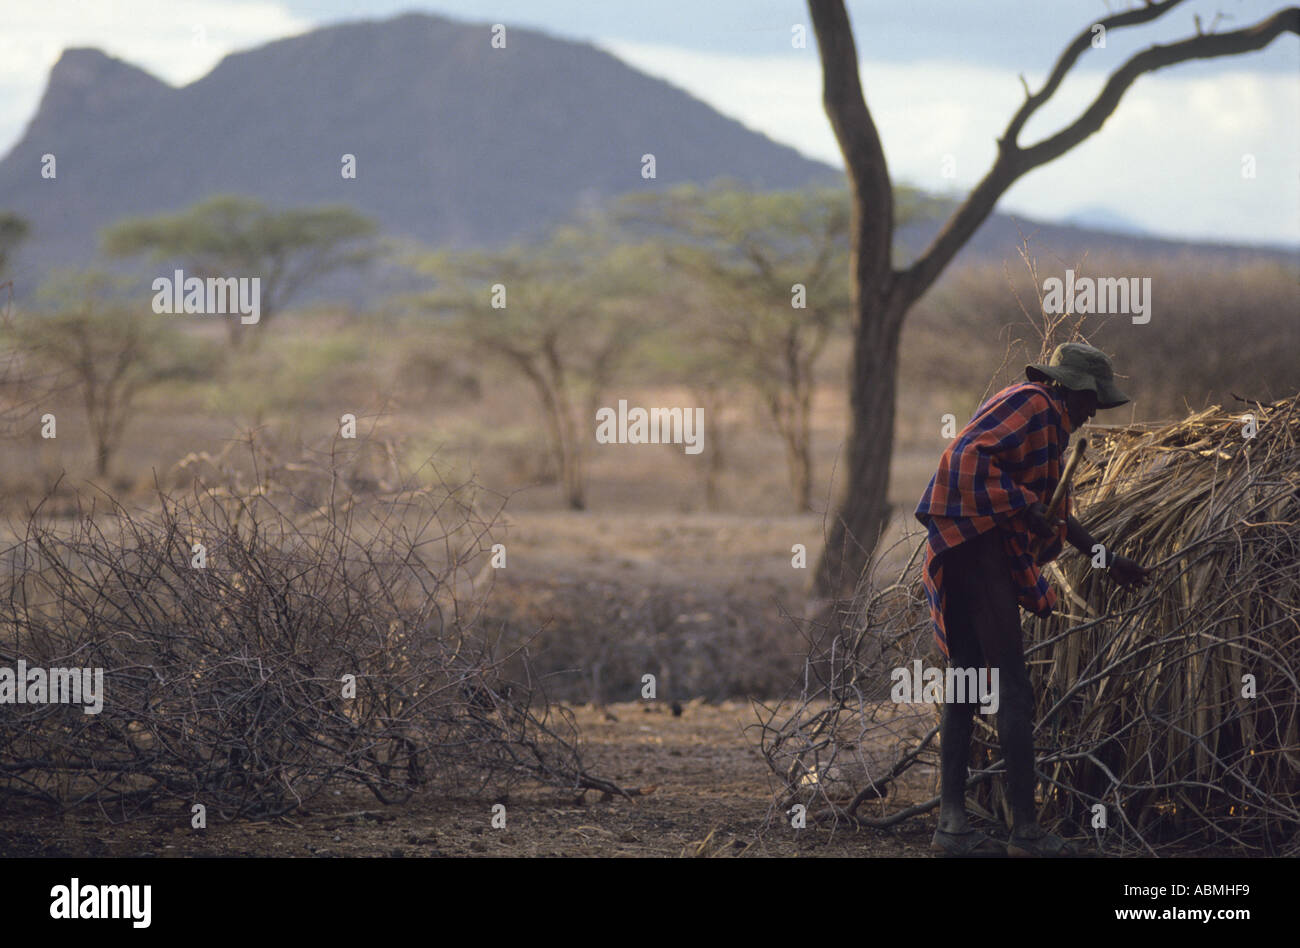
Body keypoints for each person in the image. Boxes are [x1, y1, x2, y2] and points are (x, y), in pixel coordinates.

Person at [914, 342, 1153, 857]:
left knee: (965, 677)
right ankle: (1026, 833)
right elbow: (964, 458)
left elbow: (1056, 516)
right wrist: (1024, 505)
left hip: (963, 545)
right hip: (975, 547)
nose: (1093, 414)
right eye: (1093, 402)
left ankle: (951, 827)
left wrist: (1107, 561)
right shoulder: (1036, 405)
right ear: (1074, 390)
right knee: (1014, 687)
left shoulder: (1045, 423)